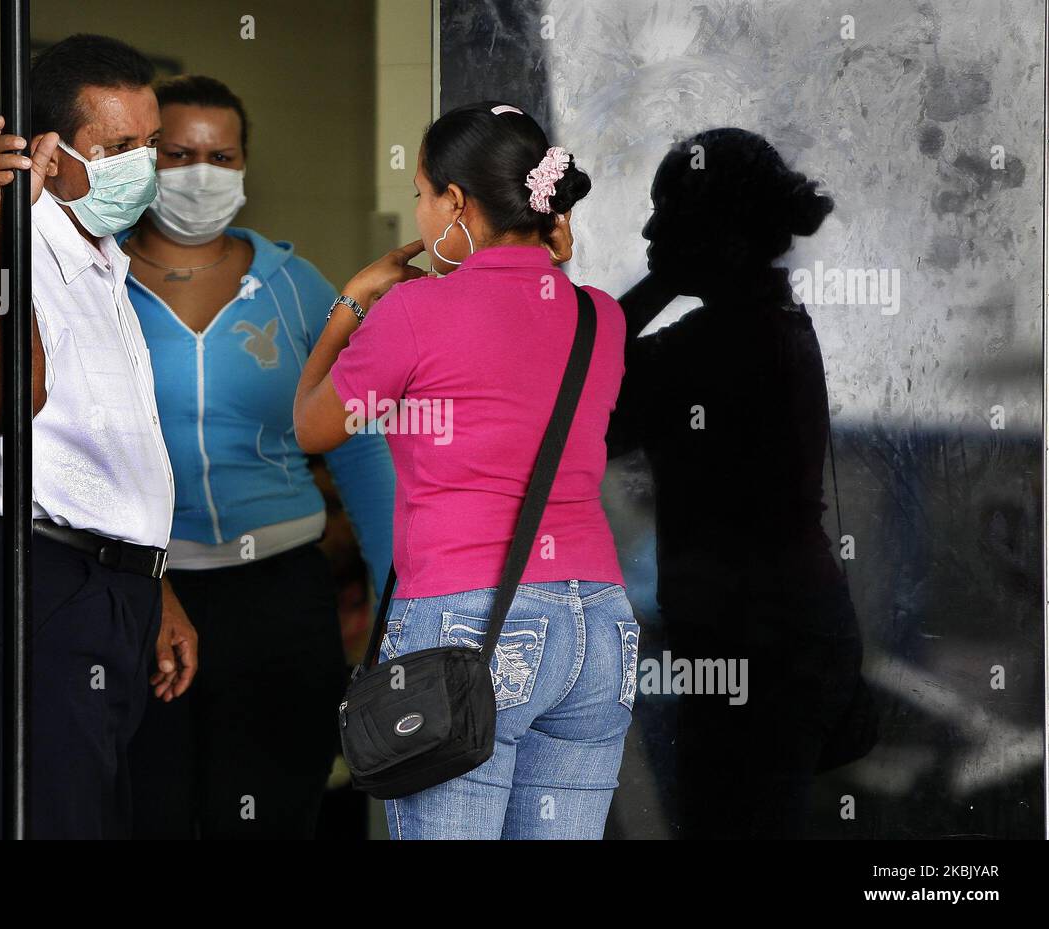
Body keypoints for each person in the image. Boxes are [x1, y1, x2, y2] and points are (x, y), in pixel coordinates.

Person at [294, 102, 638, 840]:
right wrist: (545, 253)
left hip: (467, 623)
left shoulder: (415, 309)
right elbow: (532, 309)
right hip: (600, 628)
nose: (418, 211)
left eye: (421, 193)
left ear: (454, 202)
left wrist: (354, 300)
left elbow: (313, 423)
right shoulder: (599, 317)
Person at [120, 75, 395, 839]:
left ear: (244, 168)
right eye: (177, 152)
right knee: (149, 810)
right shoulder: (94, 281)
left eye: (222, 155)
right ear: (143, 158)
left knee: (271, 813)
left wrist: (395, 596)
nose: (200, 172)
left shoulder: (295, 288)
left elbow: (362, 446)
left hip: (278, 598)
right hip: (140, 594)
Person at [607, 128, 870, 838]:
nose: (649, 227)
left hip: (759, 650)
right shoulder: (772, 324)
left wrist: (662, 278)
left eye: (670, 213)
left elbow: (581, 385)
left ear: (717, 234)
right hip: (782, 638)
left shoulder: (714, 347)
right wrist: (674, 268)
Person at [0, 33, 197, 838]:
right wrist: (3, 233)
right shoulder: (12, 243)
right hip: (51, 581)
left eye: (148, 145)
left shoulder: (106, 258)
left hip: (123, 590)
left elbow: (114, 459)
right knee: (60, 816)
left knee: (107, 813)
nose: (140, 166)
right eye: (116, 148)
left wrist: (157, 584)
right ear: (47, 148)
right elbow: (9, 403)